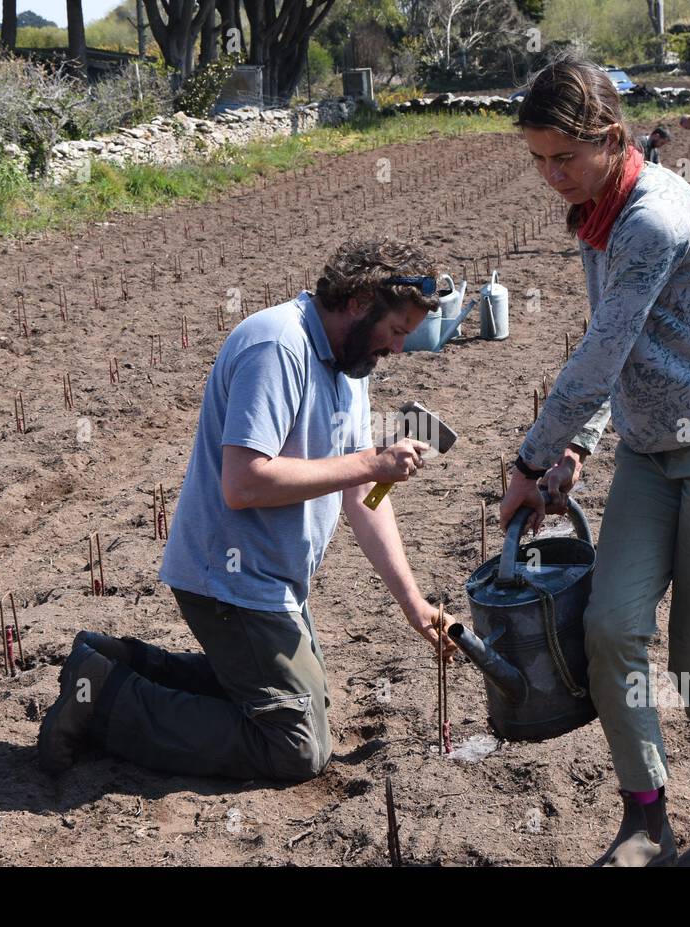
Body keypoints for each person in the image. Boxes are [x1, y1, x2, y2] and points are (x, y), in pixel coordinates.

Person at [504, 56, 690, 866]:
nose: (550, 175)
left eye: (564, 156)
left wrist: (528, 463)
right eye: (537, 159)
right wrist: (576, 445)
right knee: (610, 624)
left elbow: (598, 356)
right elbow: (620, 352)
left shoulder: (650, 219)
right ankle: (645, 815)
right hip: (650, 452)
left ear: (608, 136)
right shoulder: (598, 211)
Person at [38, 238, 457, 782]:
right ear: (359, 302)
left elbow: (359, 493)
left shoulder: (350, 364)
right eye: (397, 330)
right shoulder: (278, 346)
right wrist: (370, 464)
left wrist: (413, 602)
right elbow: (245, 483)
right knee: (296, 746)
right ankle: (102, 704)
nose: (398, 348)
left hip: (271, 579)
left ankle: (109, 667)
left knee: (305, 704)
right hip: (229, 581)